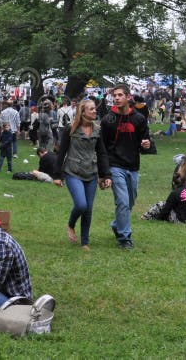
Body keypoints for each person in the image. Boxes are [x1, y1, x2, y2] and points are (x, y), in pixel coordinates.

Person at [53, 99, 111, 249]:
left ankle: (85, 242)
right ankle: (71, 224)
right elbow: (62, 152)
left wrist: (106, 175)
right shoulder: (70, 129)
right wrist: (57, 175)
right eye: (91, 109)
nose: (94, 111)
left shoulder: (97, 130)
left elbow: (102, 153)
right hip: (72, 171)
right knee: (81, 204)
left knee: (89, 209)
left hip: (91, 173)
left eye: (94, 109)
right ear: (83, 112)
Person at [100, 84, 150, 249]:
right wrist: (104, 172)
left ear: (129, 97)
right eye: (115, 95)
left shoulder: (139, 119)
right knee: (122, 201)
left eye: (120, 95)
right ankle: (124, 238)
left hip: (133, 166)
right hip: (115, 165)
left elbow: (146, 140)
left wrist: (146, 144)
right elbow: (102, 147)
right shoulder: (108, 120)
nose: (116, 98)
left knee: (130, 201)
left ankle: (117, 224)